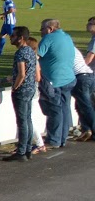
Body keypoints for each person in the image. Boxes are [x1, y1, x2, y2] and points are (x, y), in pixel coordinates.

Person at [36, 18, 77, 148]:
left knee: (55, 110)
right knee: (65, 109)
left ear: (50, 29)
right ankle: (63, 138)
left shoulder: (48, 39)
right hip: (69, 78)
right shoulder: (67, 37)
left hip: (54, 80)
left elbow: (35, 57)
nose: (41, 31)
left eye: (42, 29)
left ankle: (54, 139)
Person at [5, 27, 41, 160]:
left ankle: (21, 151)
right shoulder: (31, 51)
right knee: (28, 119)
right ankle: (27, 149)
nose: (11, 38)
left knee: (22, 121)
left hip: (22, 89)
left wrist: (15, 87)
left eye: (13, 36)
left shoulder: (20, 53)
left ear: (20, 38)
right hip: (31, 88)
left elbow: (21, 73)